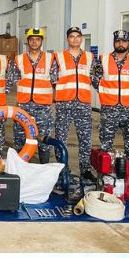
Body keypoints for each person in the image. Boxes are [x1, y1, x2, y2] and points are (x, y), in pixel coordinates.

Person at [91, 30, 129, 168]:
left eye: (124, 41)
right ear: (114, 42)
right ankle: (106, 172)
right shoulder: (103, 60)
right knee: (106, 143)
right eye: (118, 41)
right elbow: (95, 78)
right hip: (109, 107)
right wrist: (104, 91)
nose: (121, 44)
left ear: (128, 43)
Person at [54, 27, 95, 179]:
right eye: (72, 36)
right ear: (67, 39)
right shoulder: (58, 57)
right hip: (64, 103)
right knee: (61, 137)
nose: (75, 39)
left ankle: (85, 169)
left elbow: (95, 77)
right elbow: (52, 78)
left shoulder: (90, 57)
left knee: (85, 138)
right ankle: (62, 168)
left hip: (83, 103)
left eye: (78, 36)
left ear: (82, 38)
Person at [13, 28, 57, 163]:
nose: (34, 42)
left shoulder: (50, 59)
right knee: (20, 138)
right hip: (23, 105)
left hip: (43, 107)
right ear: (28, 42)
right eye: (32, 39)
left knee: (44, 140)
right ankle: (21, 168)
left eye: (37, 39)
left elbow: (55, 79)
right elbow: (14, 78)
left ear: (41, 41)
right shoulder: (19, 59)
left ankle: (44, 167)